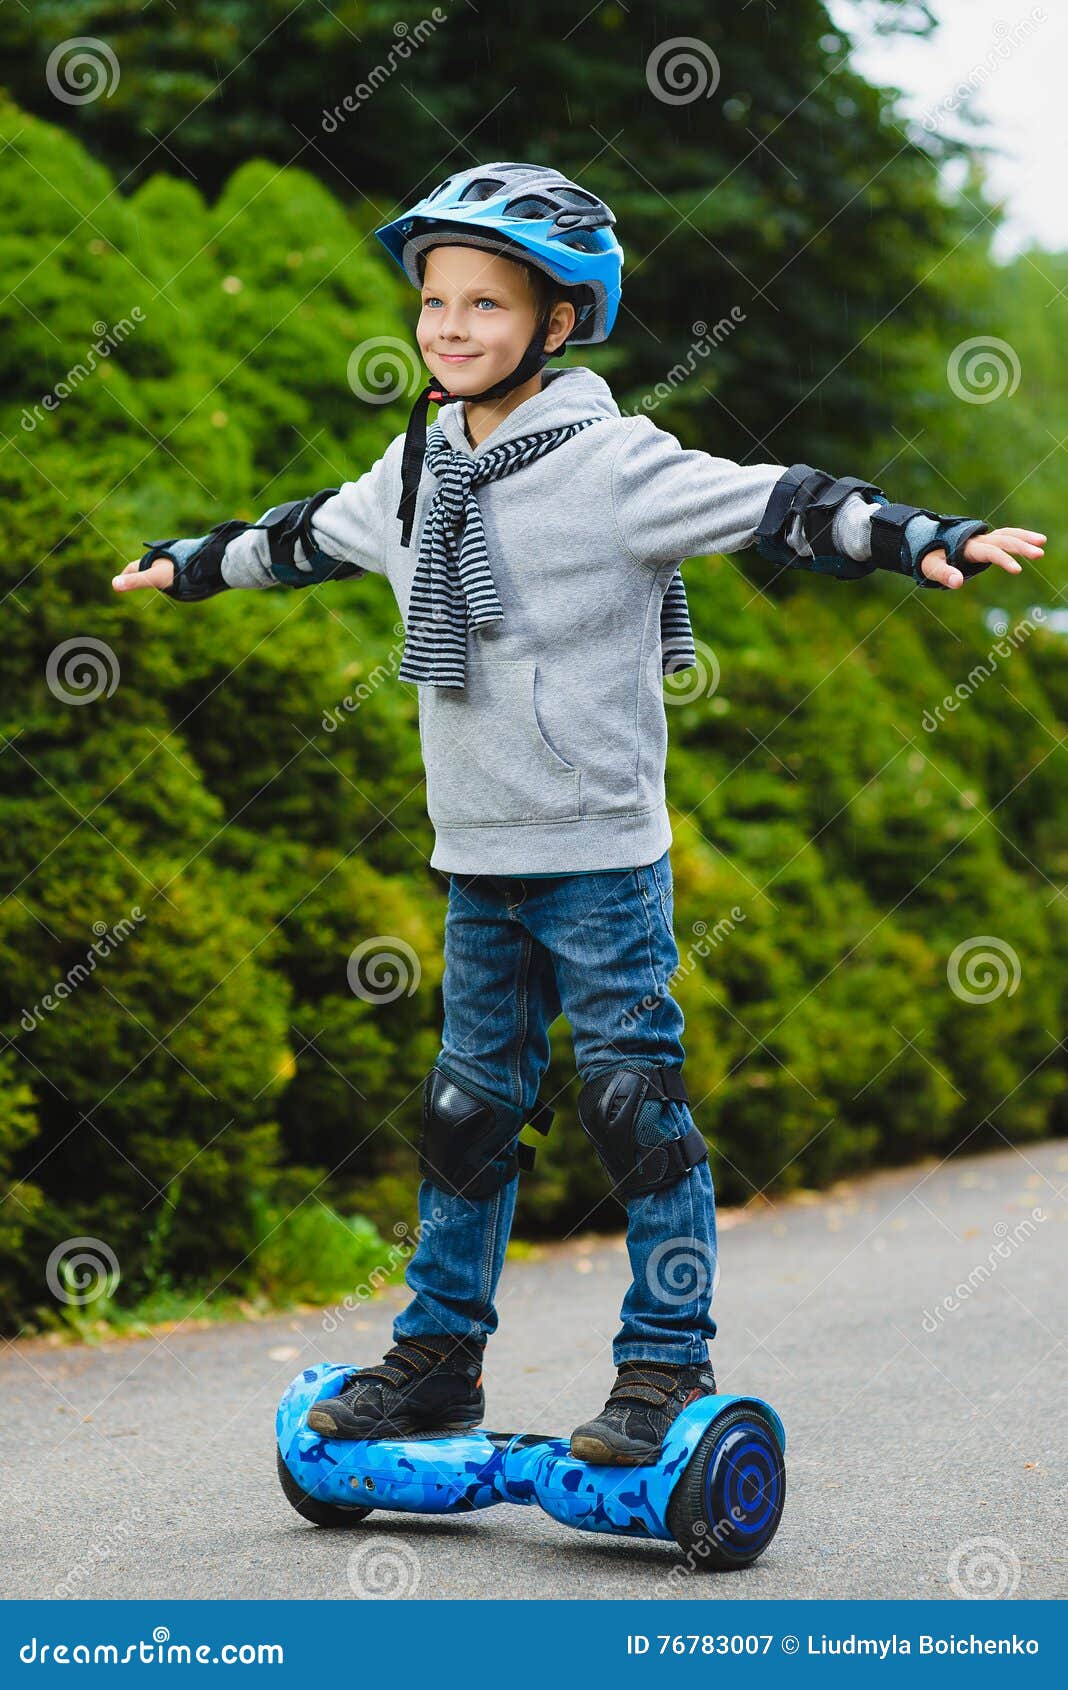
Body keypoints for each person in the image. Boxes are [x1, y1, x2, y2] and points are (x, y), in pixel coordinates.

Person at [113, 161, 1043, 1466]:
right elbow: (305, 536)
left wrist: (921, 535)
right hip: (476, 860)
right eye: (435, 301)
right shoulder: (411, 473)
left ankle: (665, 1365)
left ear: (558, 323)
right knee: (466, 1110)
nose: (448, 327)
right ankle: (439, 1357)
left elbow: (776, 499)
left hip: (602, 861)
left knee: (630, 1101)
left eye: (485, 305)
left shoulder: (614, 466)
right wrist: (188, 564)